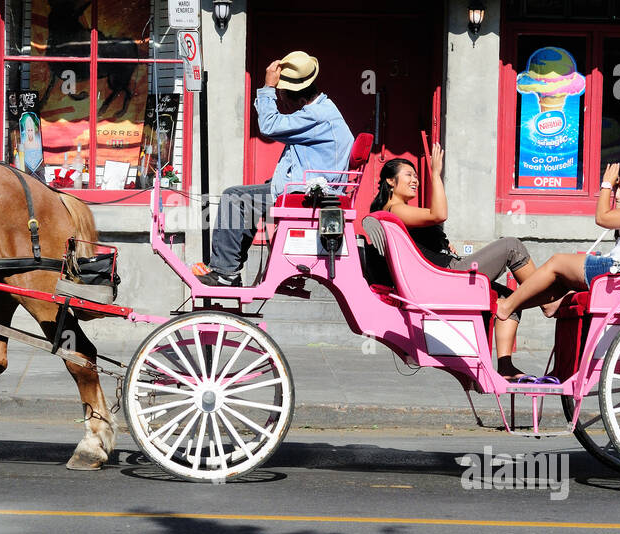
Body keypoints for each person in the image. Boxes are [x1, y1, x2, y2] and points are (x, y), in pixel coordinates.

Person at [371, 151, 537, 379]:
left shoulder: (397, 212)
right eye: (409, 175)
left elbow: (427, 236)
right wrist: (436, 174)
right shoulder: (394, 210)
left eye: (417, 176)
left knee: (511, 300)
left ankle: (505, 367)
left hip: (445, 272)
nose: (415, 180)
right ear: (390, 180)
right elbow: (439, 214)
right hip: (447, 275)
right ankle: (548, 298)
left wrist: (441, 245)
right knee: (511, 246)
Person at [195, 51, 353, 287]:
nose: (281, 103)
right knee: (245, 197)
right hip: (307, 191)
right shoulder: (321, 110)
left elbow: (269, 125)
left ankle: (226, 271)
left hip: (307, 197)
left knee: (233, 197)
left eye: (282, 97)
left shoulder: (318, 115)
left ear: (297, 98)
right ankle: (229, 269)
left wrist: (268, 88)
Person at [495, 155, 620, 323]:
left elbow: (603, 218)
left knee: (557, 261)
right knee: (561, 279)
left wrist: (606, 185)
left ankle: (508, 305)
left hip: (618, 270)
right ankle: (544, 305)